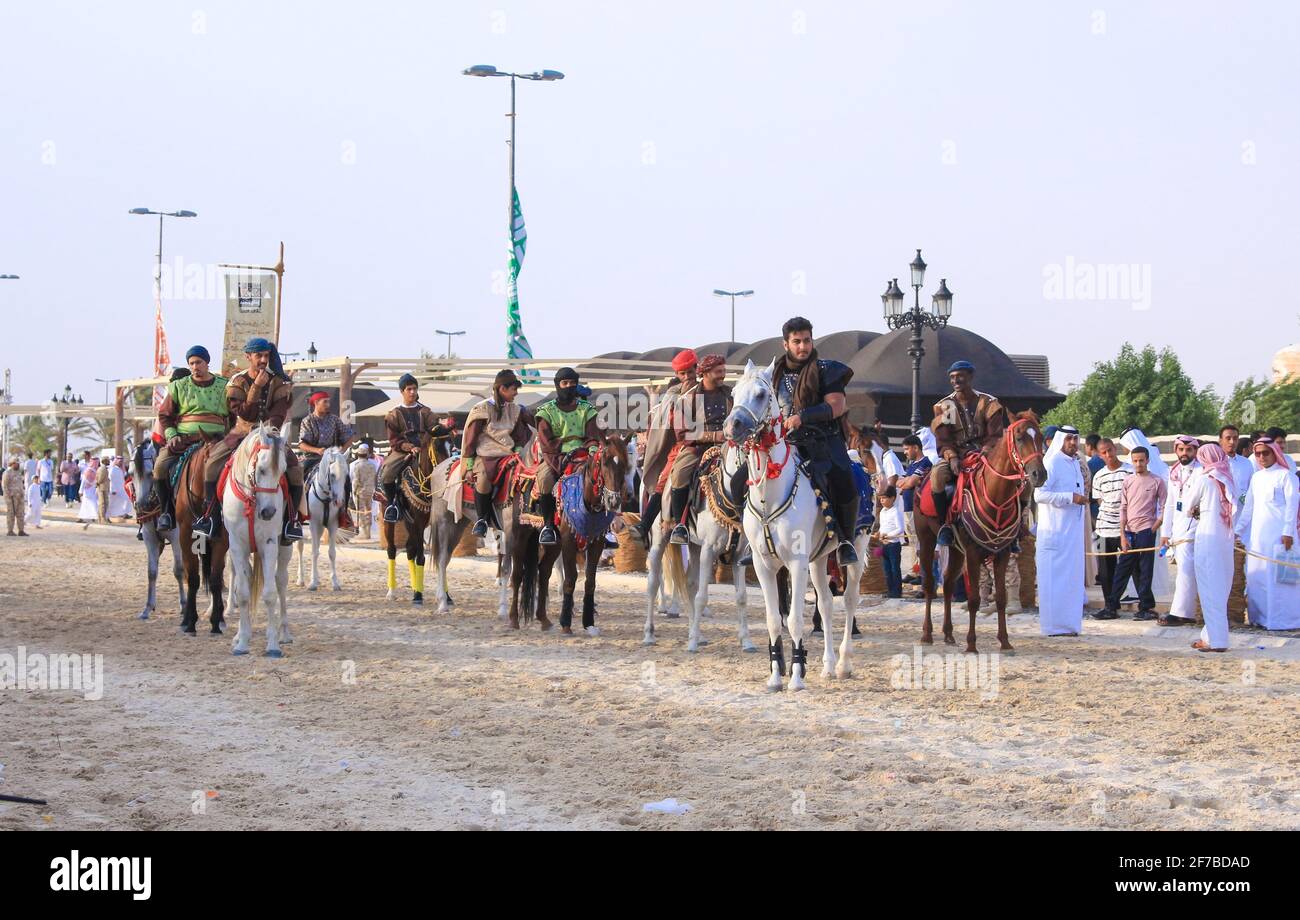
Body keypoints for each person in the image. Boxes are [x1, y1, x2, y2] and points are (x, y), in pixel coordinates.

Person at [772, 317, 860, 565]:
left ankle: (845, 541)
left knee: (845, 479)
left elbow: (837, 405)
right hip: (784, 443)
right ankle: (749, 541)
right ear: (785, 344)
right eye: (797, 341)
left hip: (822, 441)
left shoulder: (827, 369)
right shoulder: (773, 374)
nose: (803, 347)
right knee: (747, 477)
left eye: (807, 341)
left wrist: (803, 417)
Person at [202, 338, 304, 540]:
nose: (263, 360)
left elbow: (279, 413)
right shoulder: (238, 382)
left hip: (270, 434)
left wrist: (268, 431)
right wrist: (256, 387)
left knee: (294, 468)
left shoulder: (279, 381)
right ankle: (210, 517)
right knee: (212, 464)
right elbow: (245, 414)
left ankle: (292, 521)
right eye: (259, 356)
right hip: (241, 432)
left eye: (266, 355)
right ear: (248, 357)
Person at [929, 360, 1008, 548]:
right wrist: (952, 457)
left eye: (960, 376)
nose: (956, 381)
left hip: (987, 455)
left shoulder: (987, 402)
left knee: (1015, 478)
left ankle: (1015, 529)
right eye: (952, 378)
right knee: (937, 475)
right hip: (957, 455)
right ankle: (944, 525)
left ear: (970, 377)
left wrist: (985, 451)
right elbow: (944, 438)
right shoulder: (947, 405)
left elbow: (995, 434)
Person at [152, 346, 231, 532]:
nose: (195, 366)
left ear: (207, 363)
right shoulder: (178, 386)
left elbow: (233, 415)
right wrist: (171, 435)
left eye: (199, 362)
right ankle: (167, 512)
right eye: (192, 363)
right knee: (159, 467)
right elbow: (165, 415)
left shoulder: (224, 385)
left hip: (218, 441)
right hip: (184, 440)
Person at [634, 348, 698, 547]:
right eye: (682, 373)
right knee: (664, 481)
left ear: (697, 369)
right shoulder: (672, 395)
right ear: (677, 375)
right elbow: (660, 424)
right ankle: (646, 525)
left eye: (690, 371)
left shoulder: (703, 390)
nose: (687, 376)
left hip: (705, 444)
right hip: (680, 446)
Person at [1235, 436, 1300, 629]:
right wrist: (1237, 531)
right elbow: (1248, 508)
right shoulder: (1256, 477)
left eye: (1266, 452)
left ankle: (1285, 621)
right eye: (1258, 453)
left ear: (1275, 453)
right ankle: (1260, 619)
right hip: (1258, 538)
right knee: (1258, 577)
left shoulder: (1286, 476)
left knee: (1281, 579)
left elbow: (1292, 506)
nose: (1262, 457)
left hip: (1280, 536)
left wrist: (1287, 532)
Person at [533, 368, 603, 546]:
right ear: (558, 385)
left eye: (573, 383)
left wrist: (593, 453)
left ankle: (606, 530)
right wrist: (564, 454)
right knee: (544, 478)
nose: (569, 387)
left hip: (585, 455)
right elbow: (546, 442)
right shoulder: (546, 411)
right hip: (556, 457)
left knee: (605, 477)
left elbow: (593, 436)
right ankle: (548, 527)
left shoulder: (587, 410)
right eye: (565, 383)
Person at [667, 354, 732, 544]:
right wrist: (713, 436)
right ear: (704, 373)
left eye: (723, 371)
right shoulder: (688, 399)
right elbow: (682, 434)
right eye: (718, 372)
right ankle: (680, 526)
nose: (723, 375)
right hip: (697, 449)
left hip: (729, 446)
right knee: (679, 473)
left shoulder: (731, 394)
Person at [461, 369, 532, 538]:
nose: (516, 393)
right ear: (502, 389)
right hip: (484, 455)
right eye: (513, 389)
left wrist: (518, 449)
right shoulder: (482, 409)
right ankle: (482, 520)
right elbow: (471, 440)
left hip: (508, 454)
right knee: (484, 477)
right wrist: (470, 466)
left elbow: (521, 433)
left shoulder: (516, 410)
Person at [1034, 425, 1088, 635]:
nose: (1073, 443)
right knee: (1054, 582)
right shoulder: (1053, 461)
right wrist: (1070, 497)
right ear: (1060, 441)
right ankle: (1053, 627)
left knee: (1072, 582)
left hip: (1072, 537)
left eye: (1075, 439)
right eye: (1069, 439)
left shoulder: (1075, 463)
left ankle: (1069, 625)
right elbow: (1039, 495)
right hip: (1055, 535)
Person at [1185, 444, 1237, 652]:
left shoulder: (1204, 480)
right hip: (1226, 537)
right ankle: (1210, 635)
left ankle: (1217, 641)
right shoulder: (1229, 480)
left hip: (1208, 537)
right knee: (1221, 586)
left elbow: (1187, 508)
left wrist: (1196, 510)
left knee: (1208, 587)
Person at [1118, 428, 1173, 601]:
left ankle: (1143, 597)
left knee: (1146, 563)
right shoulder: (1156, 464)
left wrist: (1154, 525)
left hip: (1151, 523)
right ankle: (1141, 595)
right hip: (1139, 525)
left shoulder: (1152, 471)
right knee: (1137, 563)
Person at [1112, 446, 1166, 620]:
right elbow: (1123, 507)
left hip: (1146, 530)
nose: (1138, 464)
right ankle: (1111, 605)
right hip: (1129, 531)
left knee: (1145, 569)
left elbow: (1165, 507)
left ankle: (1145, 607)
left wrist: (1154, 527)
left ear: (1147, 460)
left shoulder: (1157, 481)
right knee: (1123, 568)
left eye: (1141, 460)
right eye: (1135, 461)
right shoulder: (1127, 481)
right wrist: (1122, 533)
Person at [381, 374, 440, 524]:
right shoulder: (393, 414)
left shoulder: (426, 411)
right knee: (387, 472)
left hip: (426, 449)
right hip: (401, 451)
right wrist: (410, 447)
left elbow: (434, 427)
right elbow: (394, 440)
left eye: (414, 389)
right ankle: (391, 505)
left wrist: (446, 427)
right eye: (409, 389)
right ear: (402, 391)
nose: (412, 392)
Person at [1160, 435, 1202, 626]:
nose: (1185, 453)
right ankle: (1187, 611)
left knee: (1185, 571)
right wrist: (1165, 533)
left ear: (1195, 451)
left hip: (1194, 529)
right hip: (1177, 529)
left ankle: (1180, 613)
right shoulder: (1174, 471)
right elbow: (1169, 503)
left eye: (1189, 450)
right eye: (1181, 450)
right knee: (1184, 571)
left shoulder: (1202, 471)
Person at [298, 391, 356, 530]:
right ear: (316, 404)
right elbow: (301, 444)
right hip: (312, 458)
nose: (328, 405)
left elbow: (351, 436)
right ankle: (297, 514)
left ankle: (343, 513)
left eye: (329, 402)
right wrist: (317, 450)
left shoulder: (335, 420)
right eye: (325, 402)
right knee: (299, 477)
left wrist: (341, 452)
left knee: (346, 479)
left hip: (333, 458)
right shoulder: (307, 421)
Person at [1089, 437, 1131, 619]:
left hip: (1126, 528)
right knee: (1105, 572)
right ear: (1099, 454)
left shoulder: (1129, 471)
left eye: (1110, 450)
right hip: (1103, 528)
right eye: (1104, 452)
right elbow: (1099, 500)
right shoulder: (1098, 476)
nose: (1108, 455)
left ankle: (1141, 604)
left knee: (1129, 567)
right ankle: (1110, 607)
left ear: (1115, 449)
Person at [895, 434, 932, 583]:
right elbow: (899, 482)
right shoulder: (911, 465)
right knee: (911, 541)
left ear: (916, 448)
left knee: (919, 540)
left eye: (906, 449)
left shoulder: (925, 463)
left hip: (918, 509)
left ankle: (920, 572)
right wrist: (906, 481)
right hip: (907, 507)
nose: (904, 452)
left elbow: (910, 483)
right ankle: (913, 570)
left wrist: (906, 482)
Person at [876, 485, 905, 598]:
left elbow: (900, 529)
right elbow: (883, 526)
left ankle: (897, 592)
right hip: (883, 545)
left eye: (884, 498)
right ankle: (890, 590)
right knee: (887, 570)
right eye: (880, 498)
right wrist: (879, 533)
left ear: (893, 498)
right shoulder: (882, 511)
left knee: (895, 569)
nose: (881, 500)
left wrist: (888, 535)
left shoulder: (895, 511)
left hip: (893, 545)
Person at [1219, 425, 1256, 511]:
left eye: (1235, 438)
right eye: (1228, 438)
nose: (1232, 442)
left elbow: (1251, 488)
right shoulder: (1215, 463)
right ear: (1220, 441)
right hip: (1221, 512)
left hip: (1242, 512)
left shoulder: (1246, 463)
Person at [349, 443, 378, 540]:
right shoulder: (372, 465)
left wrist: (354, 491)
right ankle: (368, 532)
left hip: (360, 492)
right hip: (370, 491)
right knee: (368, 511)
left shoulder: (357, 465)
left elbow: (356, 480)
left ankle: (363, 533)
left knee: (361, 512)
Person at [3, 459, 27, 536]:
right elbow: (4, 486)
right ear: (12, 463)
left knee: (21, 513)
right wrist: (8, 496)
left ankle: (21, 530)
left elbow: (20, 483)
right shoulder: (7, 472)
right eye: (17, 464)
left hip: (20, 496)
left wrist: (22, 492)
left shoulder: (18, 472)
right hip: (11, 497)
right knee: (11, 514)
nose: (18, 465)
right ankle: (10, 531)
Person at [77, 457, 99, 523]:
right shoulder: (88, 470)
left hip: (92, 490)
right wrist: (80, 490)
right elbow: (84, 481)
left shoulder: (95, 470)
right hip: (87, 490)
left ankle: (92, 517)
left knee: (91, 504)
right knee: (90, 504)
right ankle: (85, 517)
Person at [95, 453, 111, 523]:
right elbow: (100, 478)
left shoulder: (103, 468)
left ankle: (100, 518)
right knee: (103, 503)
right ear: (104, 461)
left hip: (104, 487)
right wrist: (98, 483)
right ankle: (102, 518)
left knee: (104, 503)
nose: (109, 462)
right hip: (102, 488)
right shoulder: (103, 468)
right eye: (108, 460)